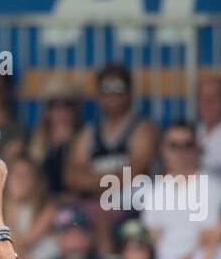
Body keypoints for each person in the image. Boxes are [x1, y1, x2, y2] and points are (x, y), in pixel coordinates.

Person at [65, 63, 158, 212]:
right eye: (106, 89)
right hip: (96, 203)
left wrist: (91, 180)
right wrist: (112, 178)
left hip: (131, 205)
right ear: (99, 95)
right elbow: (73, 177)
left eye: (118, 88)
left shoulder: (143, 129)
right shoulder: (89, 133)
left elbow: (134, 174)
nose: (112, 95)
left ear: (129, 92)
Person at [140, 121, 221, 259]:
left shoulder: (212, 187)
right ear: (163, 149)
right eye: (174, 145)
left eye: (187, 145)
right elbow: (153, 235)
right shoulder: (155, 189)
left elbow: (210, 239)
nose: (180, 151)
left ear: (197, 148)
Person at [26, 75, 82, 200]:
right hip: (42, 203)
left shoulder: (85, 138)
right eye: (54, 104)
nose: (61, 111)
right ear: (47, 110)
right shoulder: (37, 140)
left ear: (75, 108)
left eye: (67, 104)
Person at [4, 155, 57, 259]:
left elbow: (23, 244)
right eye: (16, 174)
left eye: (26, 175)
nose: (20, 180)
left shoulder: (46, 207)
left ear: (35, 180)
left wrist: (12, 204)